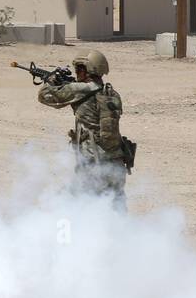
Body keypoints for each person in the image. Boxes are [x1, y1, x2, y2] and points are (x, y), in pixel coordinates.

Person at [38, 49, 129, 203]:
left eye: (79, 69)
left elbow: (45, 96)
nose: (77, 72)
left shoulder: (80, 90)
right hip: (116, 161)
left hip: (93, 161)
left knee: (84, 204)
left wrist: (51, 81)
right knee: (115, 204)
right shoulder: (111, 93)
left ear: (87, 70)